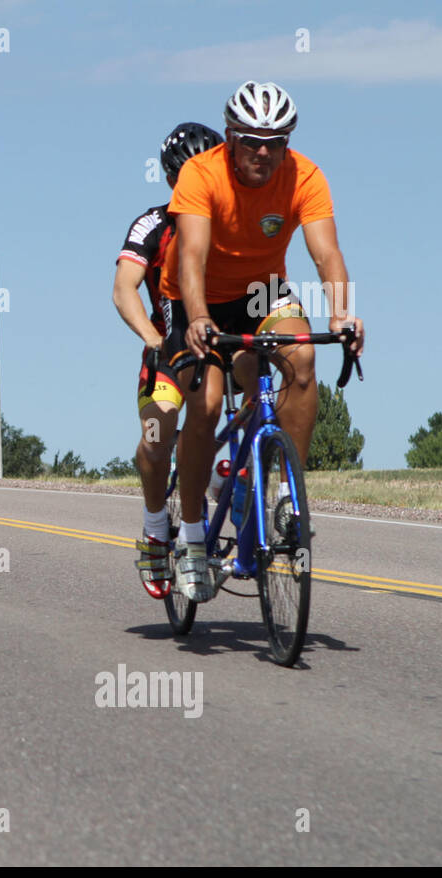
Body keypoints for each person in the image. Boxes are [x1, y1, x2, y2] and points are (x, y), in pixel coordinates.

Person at [160, 81, 364, 601]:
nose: (264, 153)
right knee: (204, 403)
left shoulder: (305, 175)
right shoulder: (200, 174)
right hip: (195, 294)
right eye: (252, 141)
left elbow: (326, 255)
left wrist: (343, 314)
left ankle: (288, 499)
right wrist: (201, 317)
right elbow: (191, 258)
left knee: (302, 356)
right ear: (229, 137)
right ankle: (191, 540)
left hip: (259, 292)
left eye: (276, 141)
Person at [114, 122, 224, 599]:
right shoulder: (153, 224)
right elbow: (124, 289)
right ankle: (157, 527)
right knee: (158, 436)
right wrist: (152, 335)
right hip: (169, 352)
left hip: (225, 340)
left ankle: (232, 478)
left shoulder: (233, 223)